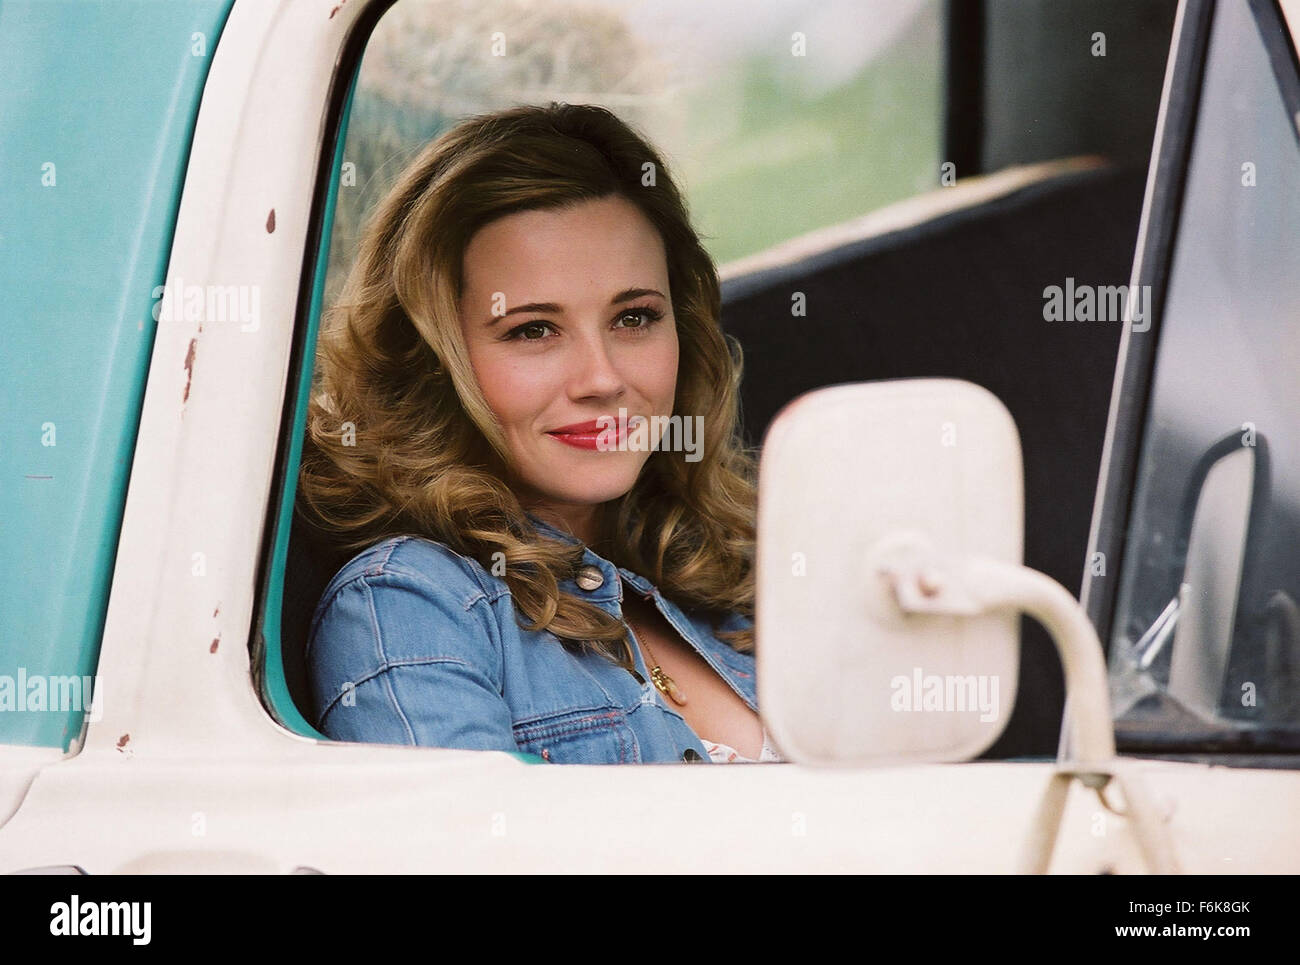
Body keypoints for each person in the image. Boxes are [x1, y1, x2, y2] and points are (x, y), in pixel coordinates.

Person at [296, 102, 782, 764]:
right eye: (532, 329)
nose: (601, 377)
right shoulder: (410, 601)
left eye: (634, 317)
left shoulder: (725, 563)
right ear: (435, 362)